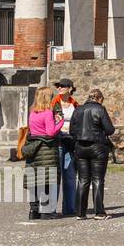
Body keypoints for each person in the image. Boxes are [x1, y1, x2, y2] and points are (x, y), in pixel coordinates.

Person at [70, 88, 116, 220]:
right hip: (97, 146)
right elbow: (110, 129)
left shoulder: (77, 109)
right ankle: (99, 212)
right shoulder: (100, 110)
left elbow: (72, 130)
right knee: (97, 179)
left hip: (80, 147)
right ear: (100, 98)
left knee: (83, 180)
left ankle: (80, 212)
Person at [23, 87, 64, 219]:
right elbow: (51, 132)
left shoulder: (32, 112)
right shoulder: (47, 112)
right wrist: (60, 122)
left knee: (34, 182)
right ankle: (46, 212)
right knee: (47, 181)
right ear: (47, 97)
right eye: (51, 96)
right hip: (46, 149)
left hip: (34, 149)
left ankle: (33, 211)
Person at [50, 78, 79, 216]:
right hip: (57, 141)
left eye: (62, 86)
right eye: (58, 86)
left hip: (71, 142)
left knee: (70, 176)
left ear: (70, 88)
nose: (59, 88)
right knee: (55, 176)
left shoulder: (75, 105)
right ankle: (52, 209)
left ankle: (70, 208)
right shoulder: (53, 103)